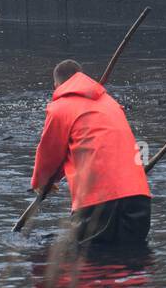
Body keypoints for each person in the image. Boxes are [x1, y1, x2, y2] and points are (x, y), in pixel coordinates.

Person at [30, 59, 151, 246]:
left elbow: (50, 153)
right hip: (139, 196)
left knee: (92, 265)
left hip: (97, 201)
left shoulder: (60, 108)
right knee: (134, 263)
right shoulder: (110, 103)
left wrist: (42, 182)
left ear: (57, 85)